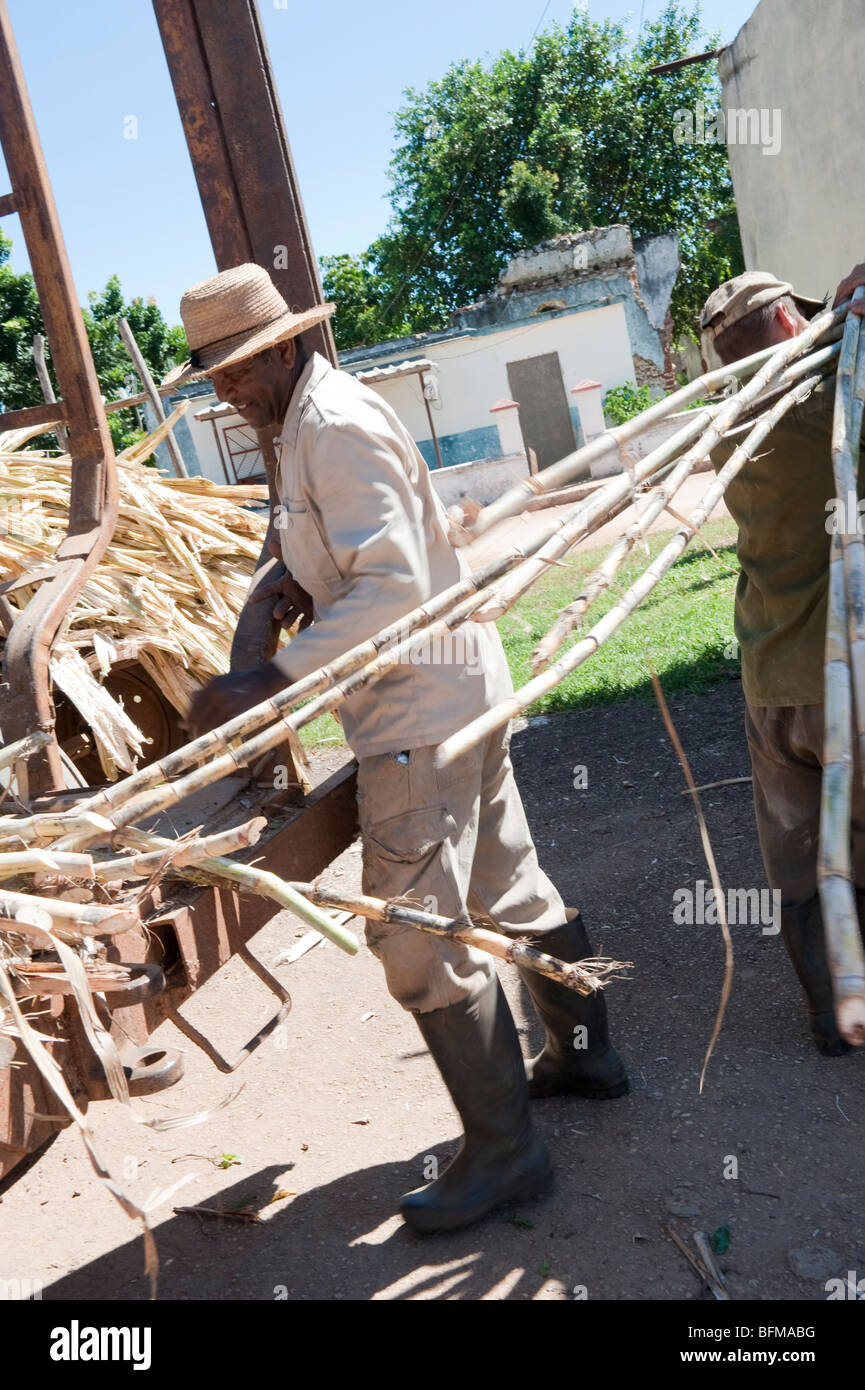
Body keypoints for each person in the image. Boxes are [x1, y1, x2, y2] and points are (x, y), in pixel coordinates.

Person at [163, 263, 628, 1234]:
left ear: (284, 347)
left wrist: (269, 681)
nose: (225, 390)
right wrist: (288, 582)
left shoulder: (331, 427)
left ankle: (506, 1153)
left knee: (412, 935)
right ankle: (585, 1053)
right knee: (511, 887)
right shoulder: (295, 426)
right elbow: (332, 549)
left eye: (237, 369)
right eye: (212, 374)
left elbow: (390, 588)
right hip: (455, 690)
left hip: (418, 713)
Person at [701, 265, 865, 1056]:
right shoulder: (836, 408)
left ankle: (825, 1015)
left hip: (768, 679)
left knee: (795, 853)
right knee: (854, 839)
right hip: (840, 676)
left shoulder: (727, 425)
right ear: (792, 328)